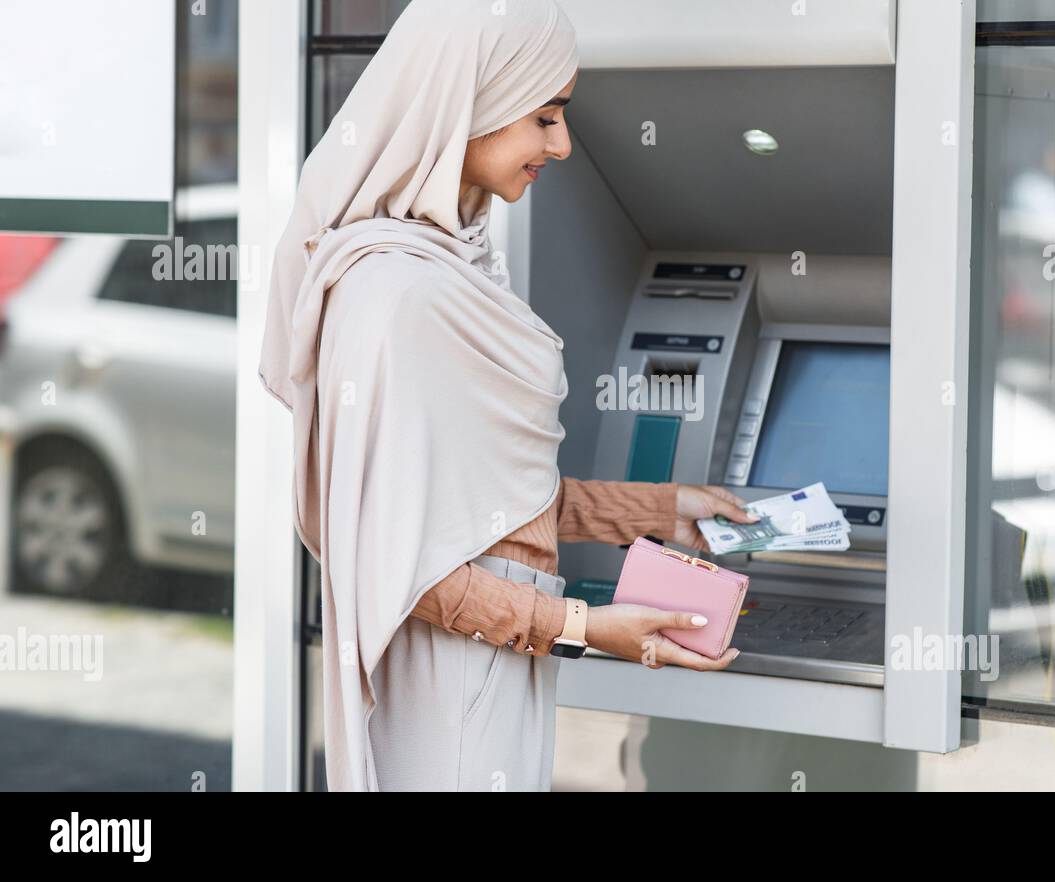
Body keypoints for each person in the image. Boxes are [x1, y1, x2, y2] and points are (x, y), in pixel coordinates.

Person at [256, 0, 750, 792]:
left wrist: (661, 510)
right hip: (453, 686)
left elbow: (488, 511)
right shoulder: (398, 293)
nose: (561, 144)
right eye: (544, 116)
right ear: (470, 107)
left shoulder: (450, 267)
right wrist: (586, 628)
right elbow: (396, 565)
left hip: (494, 670)